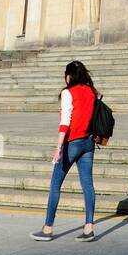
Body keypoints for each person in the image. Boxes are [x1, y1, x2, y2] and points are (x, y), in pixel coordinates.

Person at [30, 61, 98, 242]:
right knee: (88, 185)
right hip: (88, 142)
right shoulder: (92, 92)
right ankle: (89, 227)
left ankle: (47, 228)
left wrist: (58, 148)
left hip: (72, 143)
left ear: (69, 76)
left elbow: (65, 122)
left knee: (55, 184)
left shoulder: (68, 93)